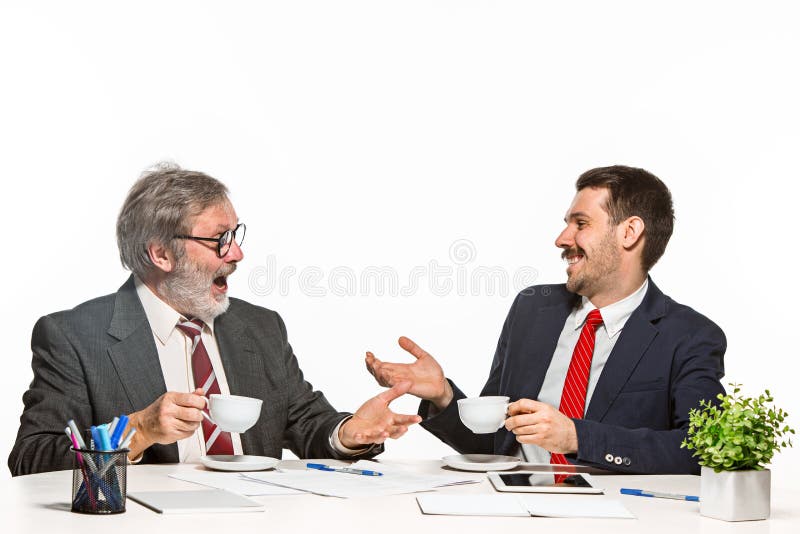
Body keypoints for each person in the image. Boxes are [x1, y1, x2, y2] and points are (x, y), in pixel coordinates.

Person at [9, 163, 420, 476]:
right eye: (218, 239)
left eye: (236, 236)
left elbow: (305, 422)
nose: (236, 254)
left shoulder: (260, 327)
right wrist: (136, 433)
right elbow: (30, 459)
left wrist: (347, 433)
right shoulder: (75, 336)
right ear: (161, 255)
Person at [366, 165, 726, 474]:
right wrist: (444, 396)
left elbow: (703, 450)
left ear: (629, 233)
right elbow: (493, 445)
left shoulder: (690, 336)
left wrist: (576, 437)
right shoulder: (533, 310)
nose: (561, 238)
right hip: (510, 507)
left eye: (580, 223)